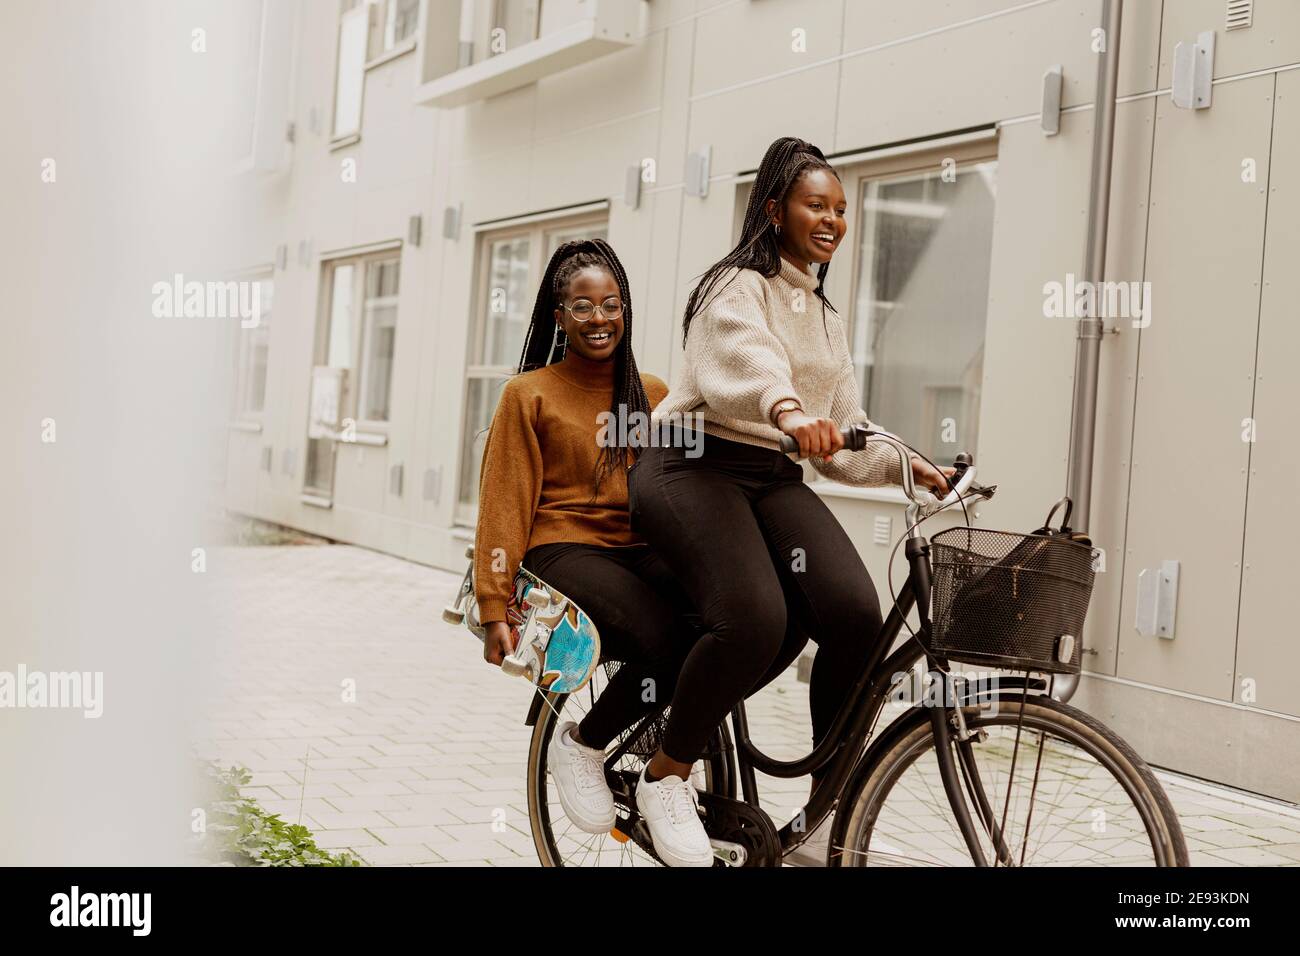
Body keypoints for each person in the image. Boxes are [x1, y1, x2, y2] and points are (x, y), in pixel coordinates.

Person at [628, 136, 955, 858]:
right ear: (777, 210)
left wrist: (911, 465)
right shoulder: (733, 287)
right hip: (691, 465)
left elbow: (844, 431)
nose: (834, 219)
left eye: (842, 208)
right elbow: (745, 362)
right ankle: (666, 772)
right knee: (753, 616)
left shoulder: (827, 317)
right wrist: (784, 411)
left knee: (853, 614)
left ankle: (824, 816)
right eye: (818, 204)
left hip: (769, 477)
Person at [473, 238, 709, 863]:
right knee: (662, 640)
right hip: (562, 549)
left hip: (639, 548)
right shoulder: (528, 395)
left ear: (624, 310)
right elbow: (504, 503)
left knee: (728, 622)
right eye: (582, 306)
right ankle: (584, 741)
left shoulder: (652, 394)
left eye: (611, 304)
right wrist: (495, 607)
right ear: (560, 317)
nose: (599, 318)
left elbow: (686, 482)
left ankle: (671, 765)